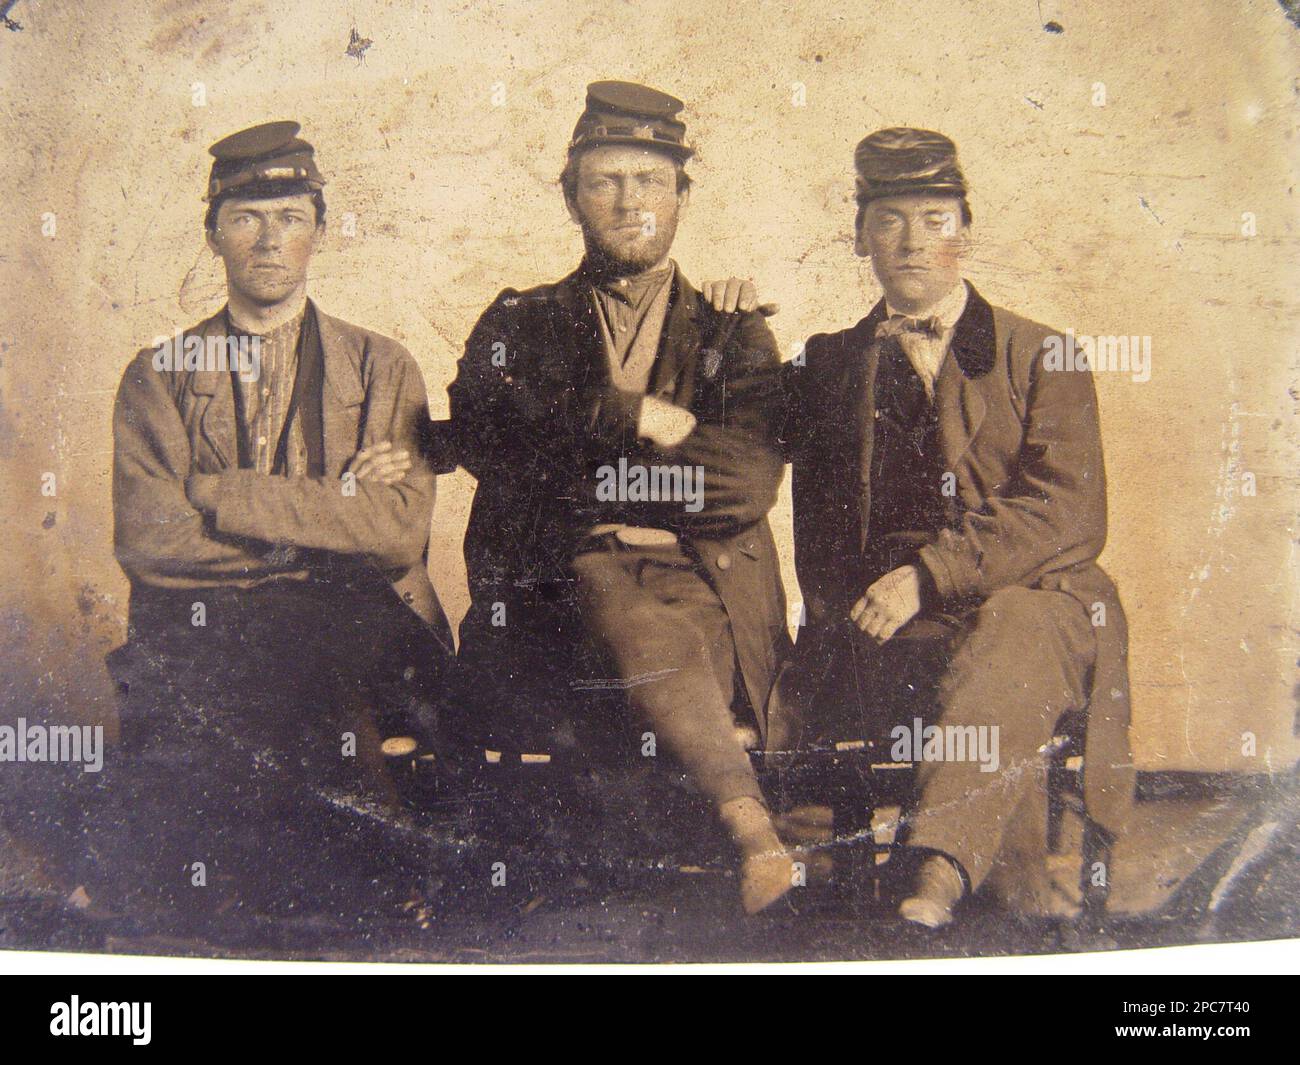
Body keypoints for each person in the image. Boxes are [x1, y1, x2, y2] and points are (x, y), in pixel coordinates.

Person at [431, 82, 796, 913]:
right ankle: (752, 829)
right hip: (553, 595)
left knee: (636, 606)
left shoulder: (733, 331)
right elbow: (483, 438)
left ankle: (730, 843)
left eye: (650, 179)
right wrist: (624, 413)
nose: (630, 202)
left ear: (682, 195)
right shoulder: (516, 322)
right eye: (605, 181)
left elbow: (744, 481)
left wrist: (583, 471)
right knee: (596, 578)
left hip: (701, 590)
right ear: (570, 197)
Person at [765, 127, 1135, 927]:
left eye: (936, 218)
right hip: (889, 630)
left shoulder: (1044, 354)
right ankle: (995, 901)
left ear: (967, 228)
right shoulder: (826, 364)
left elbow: (1068, 508)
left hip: (1035, 601)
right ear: (860, 234)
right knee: (971, 673)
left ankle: (936, 870)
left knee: (1014, 624)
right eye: (891, 219)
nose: (913, 242)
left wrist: (929, 573)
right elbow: (766, 478)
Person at [105, 121, 453, 925]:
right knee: (281, 633)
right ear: (213, 234)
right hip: (215, 623)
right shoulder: (158, 375)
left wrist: (222, 492)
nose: (269, 240)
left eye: (291, 216)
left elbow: (398, 532)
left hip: (366, 618)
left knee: (306, 633)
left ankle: (313, 883)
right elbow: (150, 540)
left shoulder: (383, 366)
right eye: (246, 217)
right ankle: (378, 872)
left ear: (321, 230)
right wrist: (332, 514)